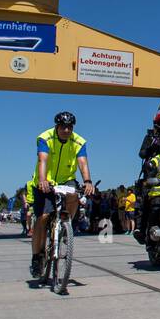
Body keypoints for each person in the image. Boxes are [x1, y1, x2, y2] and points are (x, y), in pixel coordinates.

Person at [29, 111, 96, 282]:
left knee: (75, 194)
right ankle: (37, 257)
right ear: (57, 127)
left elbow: (82, 162)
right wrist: (43, 180)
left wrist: (88, 181)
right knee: (43, 218)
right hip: (46, 182)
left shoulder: (78, 141)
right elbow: (42, 160)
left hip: (66, 179)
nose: (66, 130)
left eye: (70, 127)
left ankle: (67, 224)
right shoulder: (45, 138)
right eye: (63, 127)